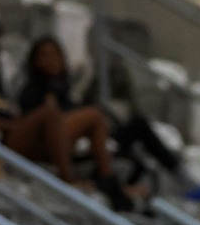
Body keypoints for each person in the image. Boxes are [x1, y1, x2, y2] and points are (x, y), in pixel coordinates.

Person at [0, 33, 132, 211]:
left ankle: (107, 179)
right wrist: (17, 125)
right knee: (49, 113)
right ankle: (67, 180)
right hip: (3, 144)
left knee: (94, 115)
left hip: (25, 137)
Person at [19, 38, 179, 191]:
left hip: (88, 142)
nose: (51, 60)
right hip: (63, 151)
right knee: (95, 117)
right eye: (44, 55)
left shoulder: (65, 91)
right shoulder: (32, 93)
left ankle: (179, 174)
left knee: (137, 127)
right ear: (34, 61)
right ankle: (107, 180)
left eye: (55, 54)